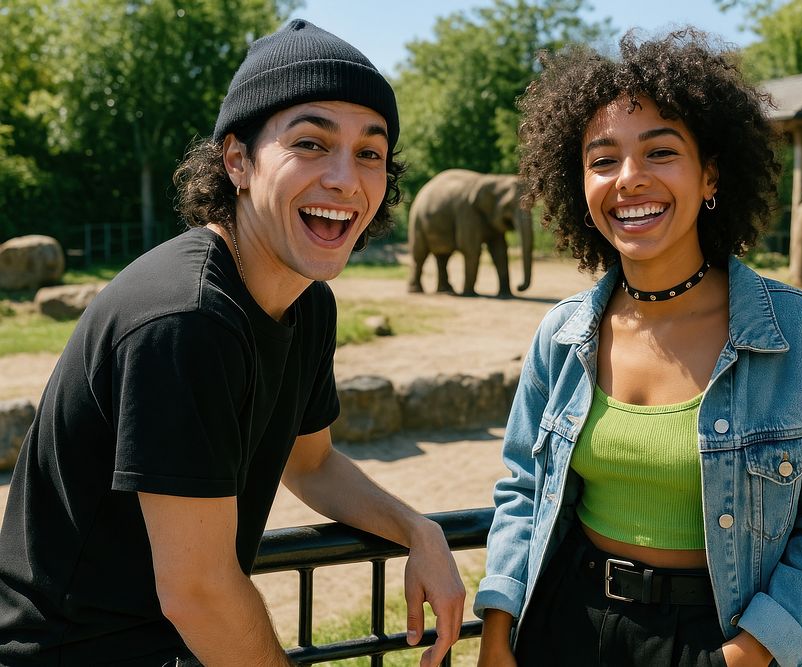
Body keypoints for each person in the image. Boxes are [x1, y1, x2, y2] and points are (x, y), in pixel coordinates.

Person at [0, 19, 465, 667]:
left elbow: (312, 464)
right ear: (237, 161)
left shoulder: (307, 300)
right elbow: (199, 592)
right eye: (310, 143)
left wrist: (419, 529)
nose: (345, 178)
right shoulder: (186, 318)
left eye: (370, 152)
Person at [474, 28, 802, 667]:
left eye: (661, 152)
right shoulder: (560, 335)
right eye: (603, 160)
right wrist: (499, 629)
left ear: (711, 175)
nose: (629, 179)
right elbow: (525, 490)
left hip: (720, 639)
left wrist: (749, 654)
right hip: (564, 625)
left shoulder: (801, 337)